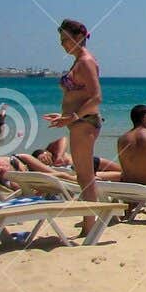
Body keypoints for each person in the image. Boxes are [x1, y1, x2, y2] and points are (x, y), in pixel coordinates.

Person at [46, 18, 103, 229]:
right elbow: (79, 93)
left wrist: (73, 117)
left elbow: (96, 97)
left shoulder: (86, 61)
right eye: (61, 41)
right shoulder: (78, 60)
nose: (63, 44)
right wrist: (66, 115)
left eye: (66, 39)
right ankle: (89, 219)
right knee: (83, 176)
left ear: (79, 37)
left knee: (85, 176)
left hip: (84, 122)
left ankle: (90, 224)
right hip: (79, 122)